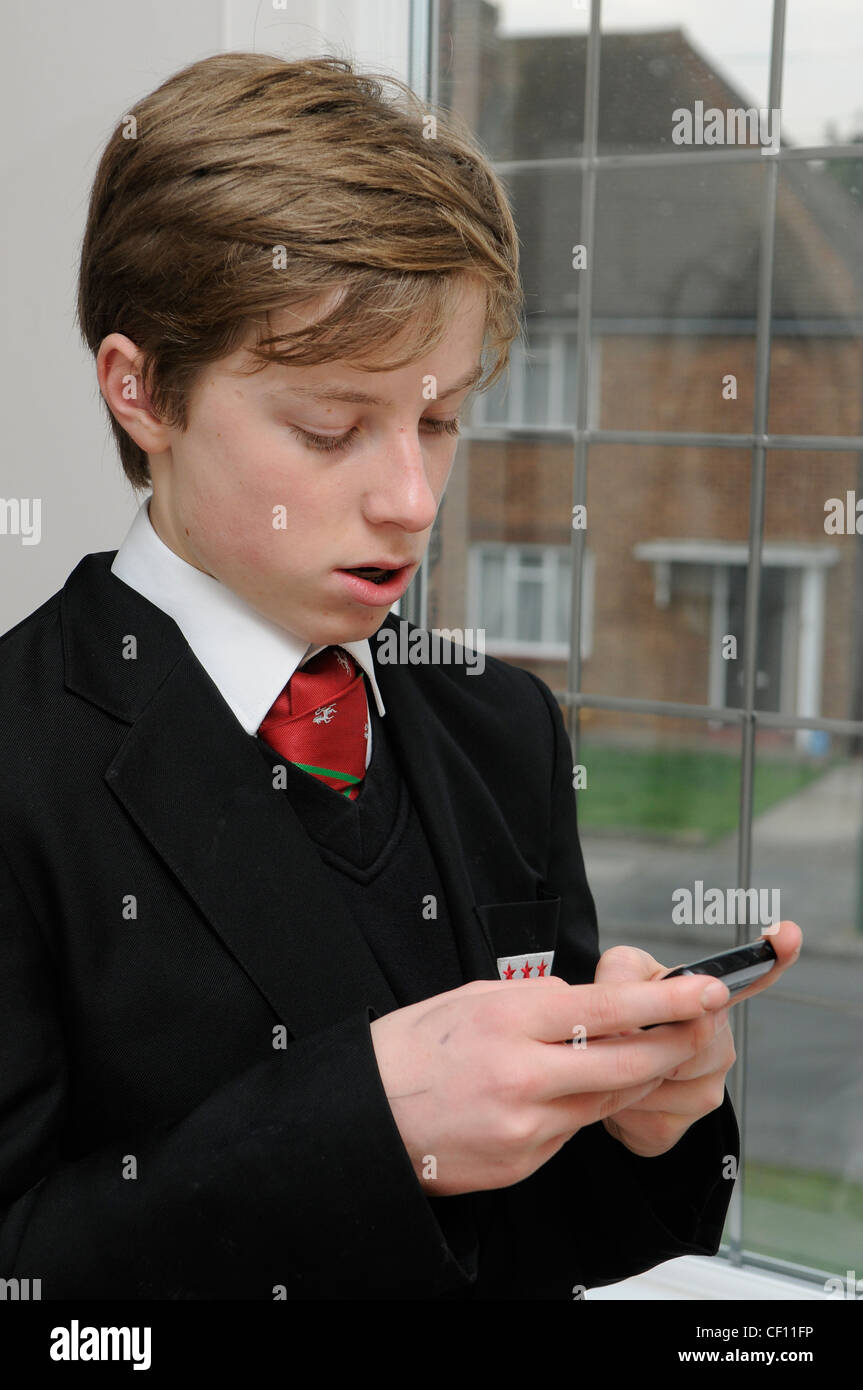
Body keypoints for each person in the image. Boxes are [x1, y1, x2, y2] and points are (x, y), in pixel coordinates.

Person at [0, 51, 801, 1301]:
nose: (412, 501)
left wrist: (646, 1118)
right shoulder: (19, 763)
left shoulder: (503, 731)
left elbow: (540, 1246)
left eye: (437, 421)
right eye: (330, 429)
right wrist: (364, 1124)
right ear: (141, 387)